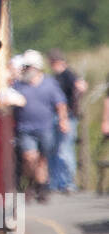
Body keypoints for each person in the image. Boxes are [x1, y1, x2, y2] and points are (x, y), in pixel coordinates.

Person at [13, 50, 68, 202]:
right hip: (25, 128)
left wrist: (63, 120)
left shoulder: (49, 83)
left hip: (45, 127)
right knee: (29, 157)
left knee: (42, 159)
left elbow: (60, 103)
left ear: (37, 67)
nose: (26, 70)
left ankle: (41, 186)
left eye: (28, 67)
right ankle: (31, 183)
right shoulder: (19, 84)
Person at [47, 50, 87, 192]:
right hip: (60, 115)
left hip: (67, 115)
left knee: (64, 149)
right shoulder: (58, 76)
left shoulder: (68, 75)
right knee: (57, 149)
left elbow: (80, 87)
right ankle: (58, 181)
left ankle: (67, 181)